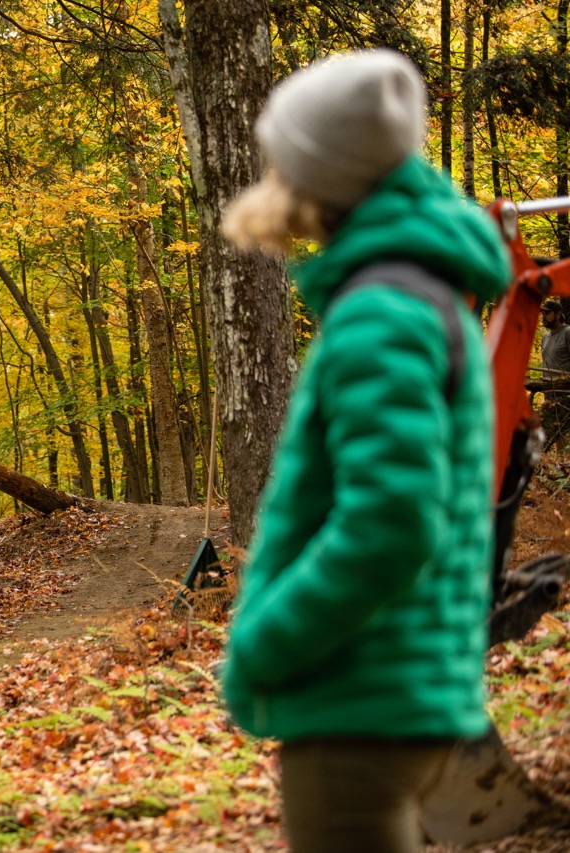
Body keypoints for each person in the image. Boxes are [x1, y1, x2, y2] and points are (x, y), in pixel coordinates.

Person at [218, 50, 511, 852]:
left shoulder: (381, 312)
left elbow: (390, 523)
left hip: (360, 705)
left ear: (323, 176)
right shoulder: (425, 293)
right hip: (407, 693)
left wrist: (260, 641)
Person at [539, 298, 570, 448]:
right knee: (554, 432)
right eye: (542, 313)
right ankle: (559, 464)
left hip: (565, 393)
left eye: (547, 313)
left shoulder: (568, 332)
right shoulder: (545, 337)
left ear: (558, 314)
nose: (543, 317)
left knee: (562, 430)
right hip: (548, 393)